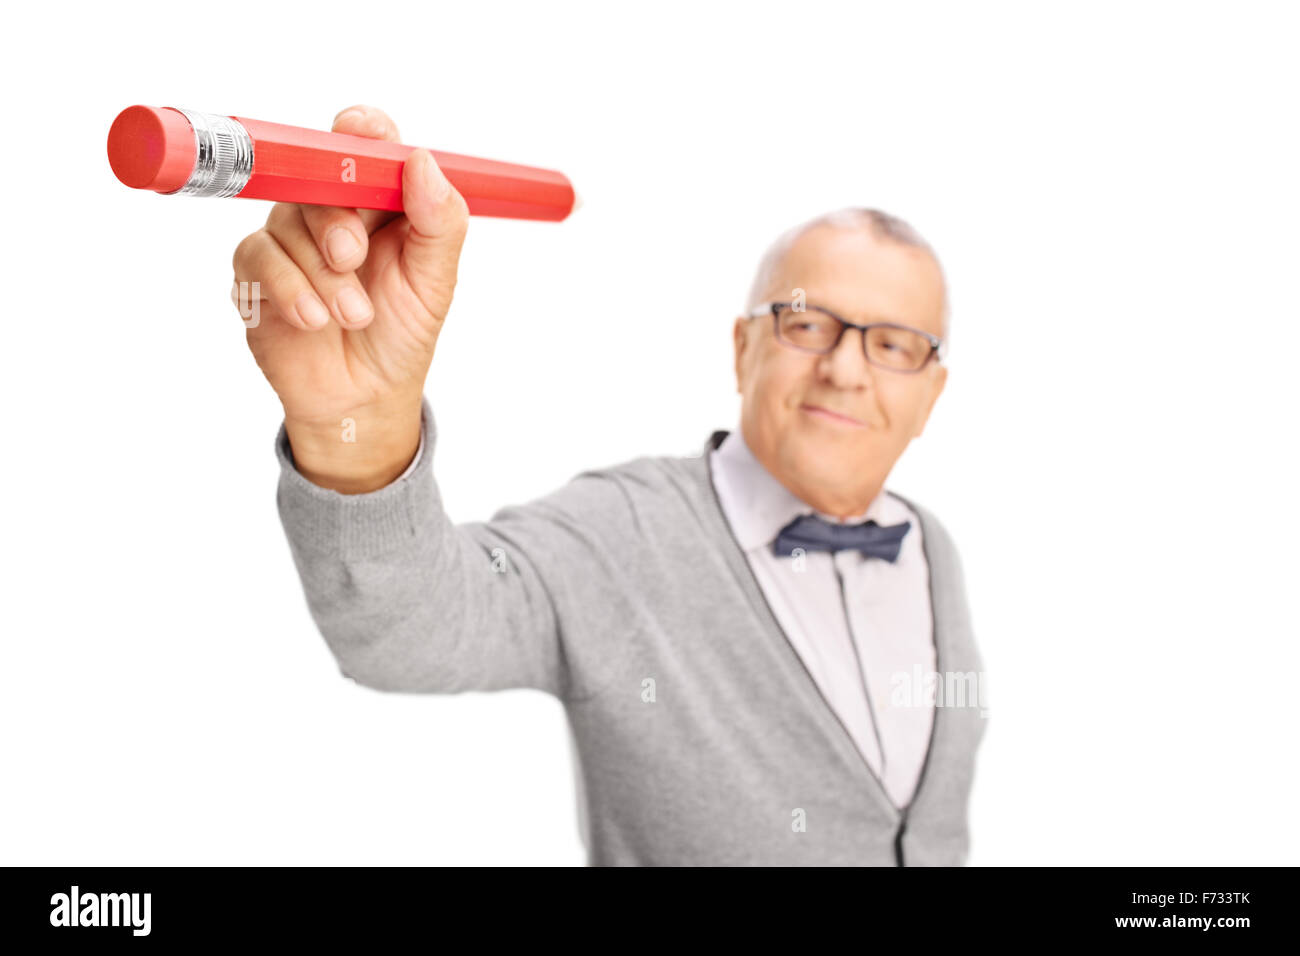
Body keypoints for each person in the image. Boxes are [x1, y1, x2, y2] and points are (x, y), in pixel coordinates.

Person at [232, 104, 989, 866]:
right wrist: (355, 427)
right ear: (743, 348)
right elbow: (409, 633)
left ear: (932, 395)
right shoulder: (621, 532)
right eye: (807, 324)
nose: (846, 370)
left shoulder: (934, 549)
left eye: (895, 345)